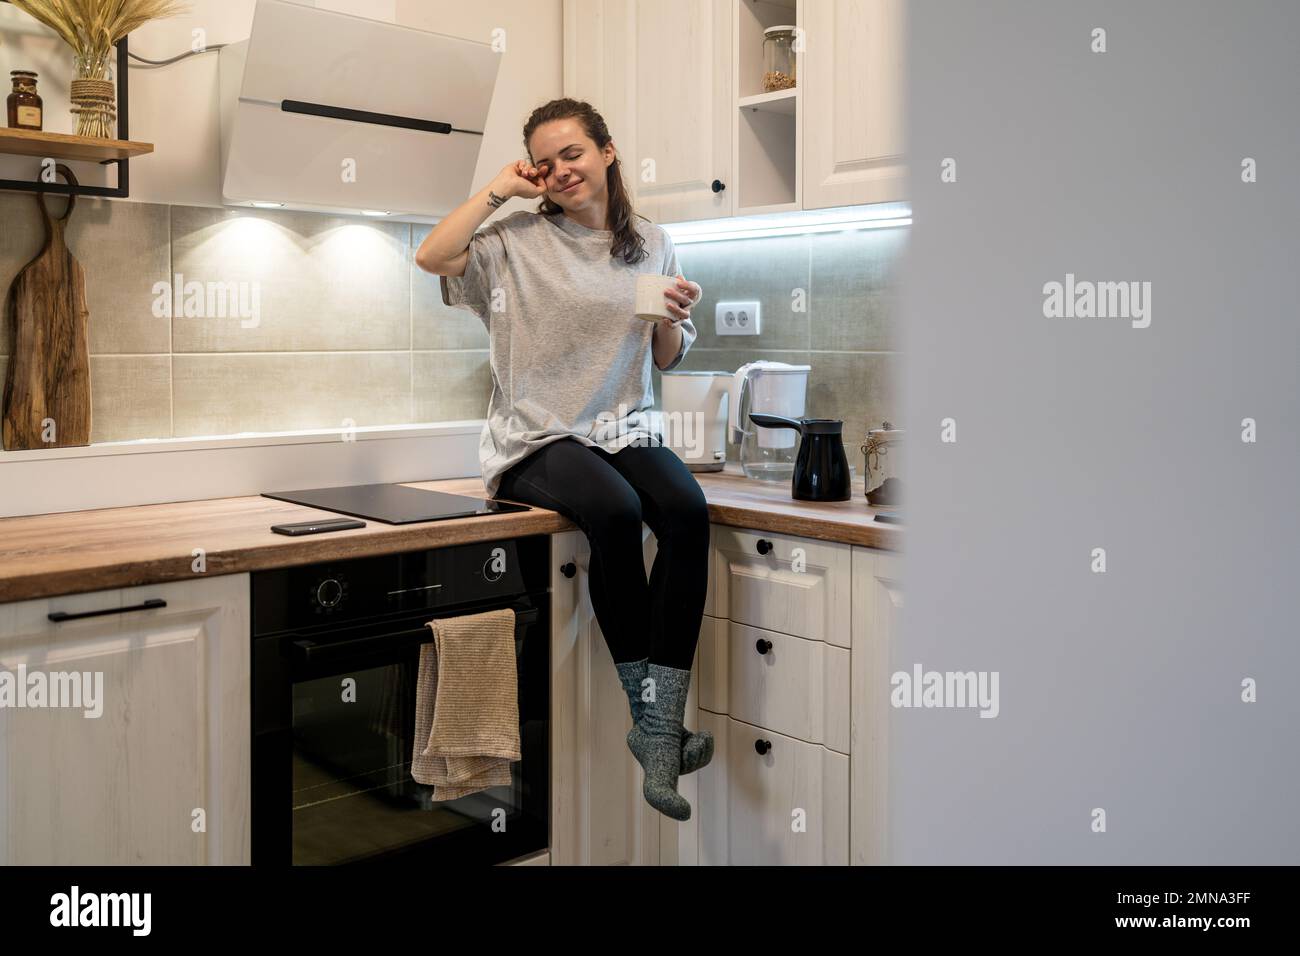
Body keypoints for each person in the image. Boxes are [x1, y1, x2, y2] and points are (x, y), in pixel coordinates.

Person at [415, 98, 712, 821]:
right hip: (537, 437)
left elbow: (664, 356)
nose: (560, 170)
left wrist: (671, 317)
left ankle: (657, 728)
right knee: (614, 511)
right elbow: (432, 255)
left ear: (607, 152)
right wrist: (499, 191)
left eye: (573, 152)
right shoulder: (514, 238)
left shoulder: (651, 241)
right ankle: (654, 723)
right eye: (546, 161)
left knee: (685, 511)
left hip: (625, 426)